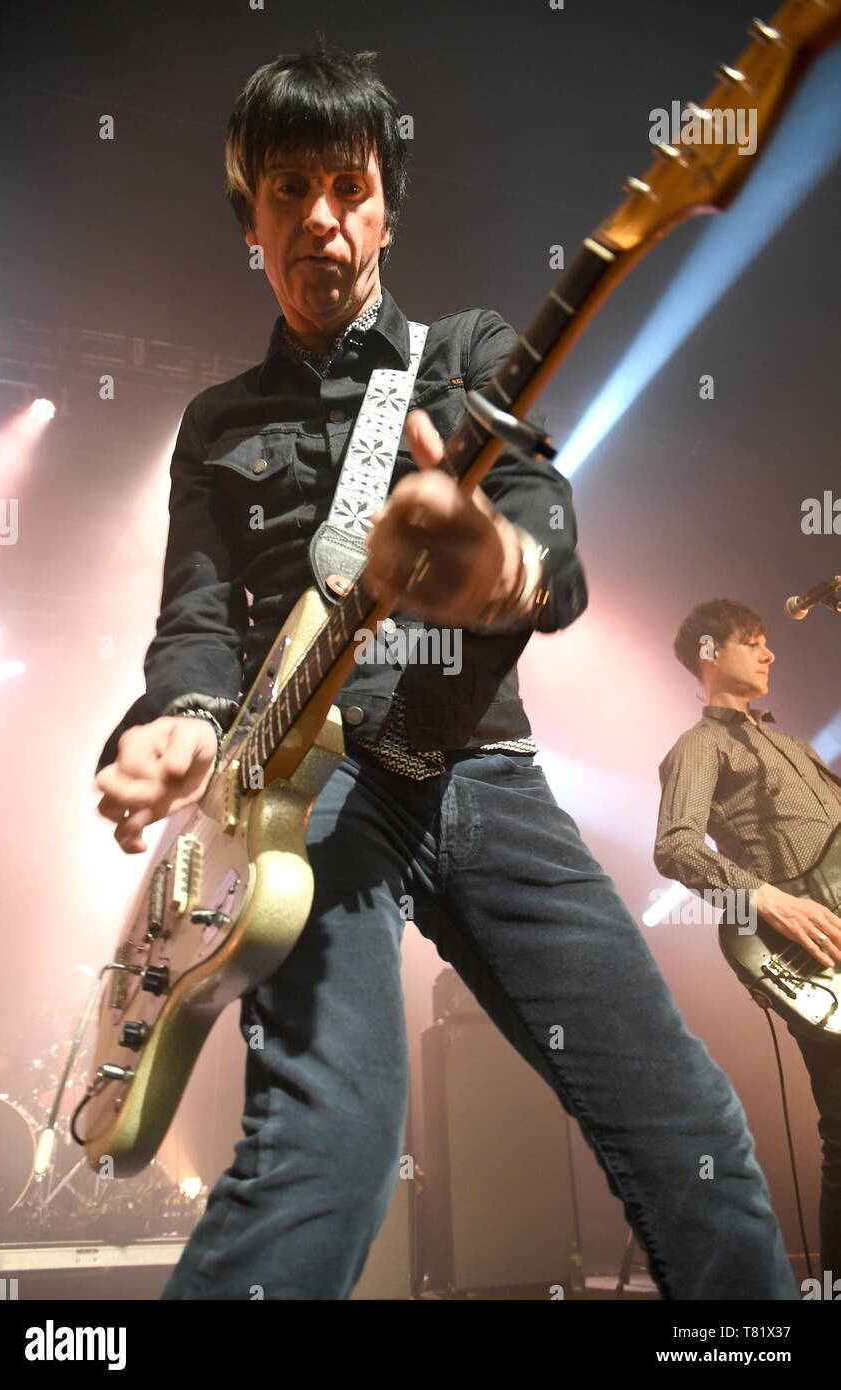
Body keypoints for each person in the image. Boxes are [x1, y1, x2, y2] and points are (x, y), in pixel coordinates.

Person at [94, 49, 797, 1300]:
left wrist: (492, 571)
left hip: (478, 773)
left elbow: (552, 554)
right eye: (287, 190)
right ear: (249, 218)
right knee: (325, 1153)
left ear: (385, 202)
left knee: (689, 1128)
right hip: (303, 812)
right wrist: (176, 724)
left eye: (348, 185)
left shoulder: (464, 353)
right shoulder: (214, 424)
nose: (321, 216)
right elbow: (196, 623)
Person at [655, 597, 841, 1280]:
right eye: (754, 642)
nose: (770, 654)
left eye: (768, 643)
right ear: (710, 653)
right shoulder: (698, 747)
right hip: (812, 957)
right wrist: (766, 898)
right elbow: (674, 848)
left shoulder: (793, 745)